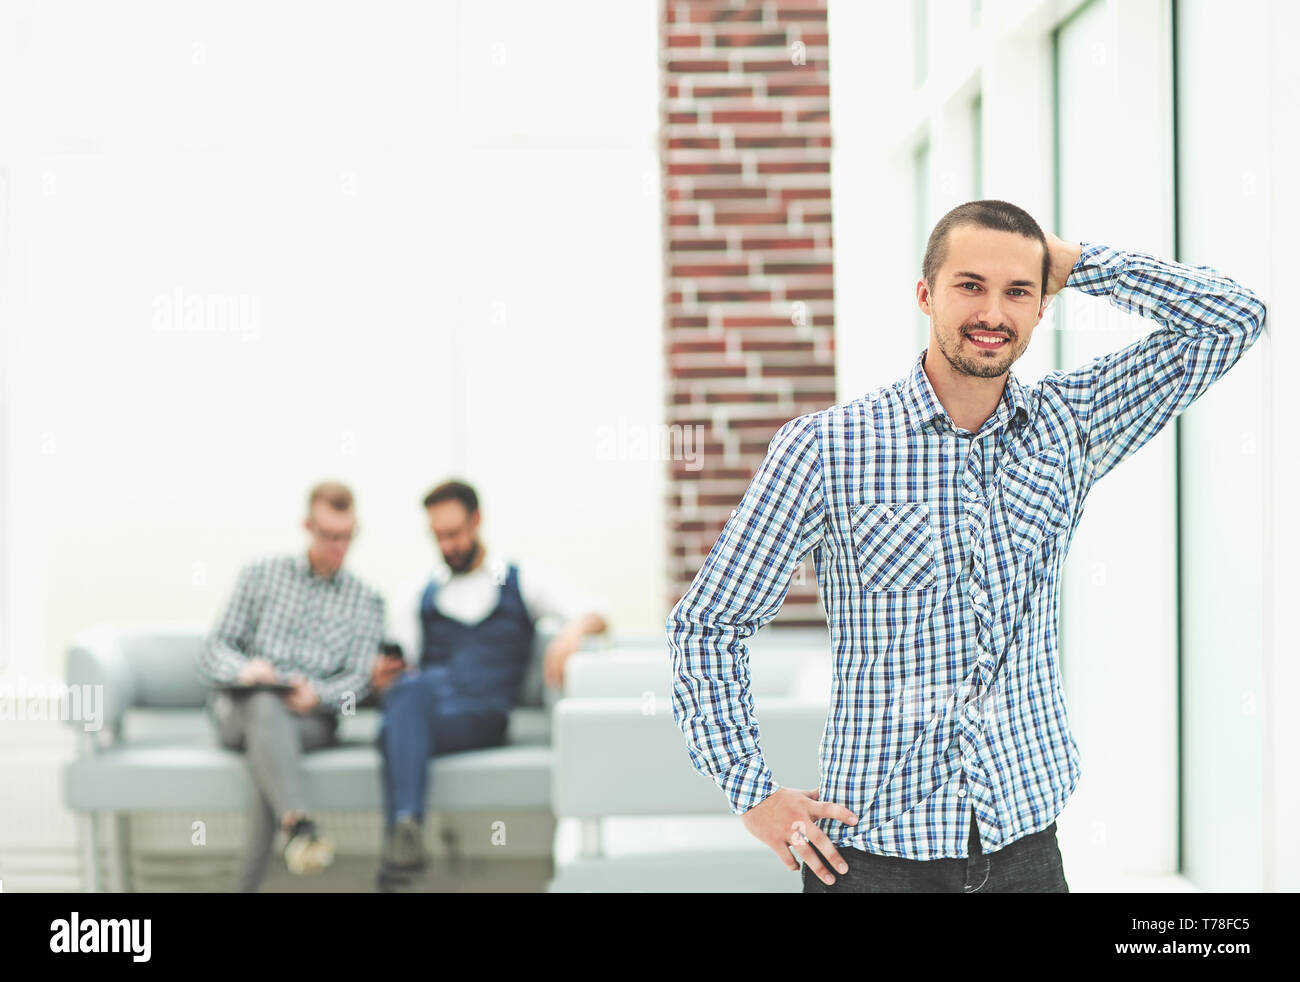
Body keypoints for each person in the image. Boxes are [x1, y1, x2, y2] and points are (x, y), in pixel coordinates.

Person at [666, 199, 1268, 893]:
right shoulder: (828, 449)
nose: (993, 313)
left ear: (1042, 307)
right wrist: (752, 793)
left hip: (1026, 850)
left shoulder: (1071, 426)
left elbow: (1233, 318)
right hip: (874, 856)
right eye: (971, 285)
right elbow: (708, 625)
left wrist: (1079, 264)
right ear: (926, 295)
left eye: (1018, 292)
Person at [372, 478, 608, 889]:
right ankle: (405, 838)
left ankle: (401, 845)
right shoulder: (418, 592)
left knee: (393, 730)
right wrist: (382, 678)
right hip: (429, 711)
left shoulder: (521, 579)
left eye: (454, 533)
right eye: (438, 536)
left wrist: (571, 633)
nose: (447, 545)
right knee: (406, 694)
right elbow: (402, 667)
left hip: (482, 716)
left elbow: (597, 612)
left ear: (477, 520)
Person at [196, 481, 386, 892]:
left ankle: (290, 831)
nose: (339, 546)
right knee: (265, 705)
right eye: (329, 535)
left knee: (268, 744)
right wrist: (247, 670)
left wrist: (319, 695)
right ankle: (298, 823)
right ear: (307, 526)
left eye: (347, 536)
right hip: (242, 709)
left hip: (310, 721)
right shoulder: (259, 576)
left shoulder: (367, 600)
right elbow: (213, 651)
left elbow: (359, 684)